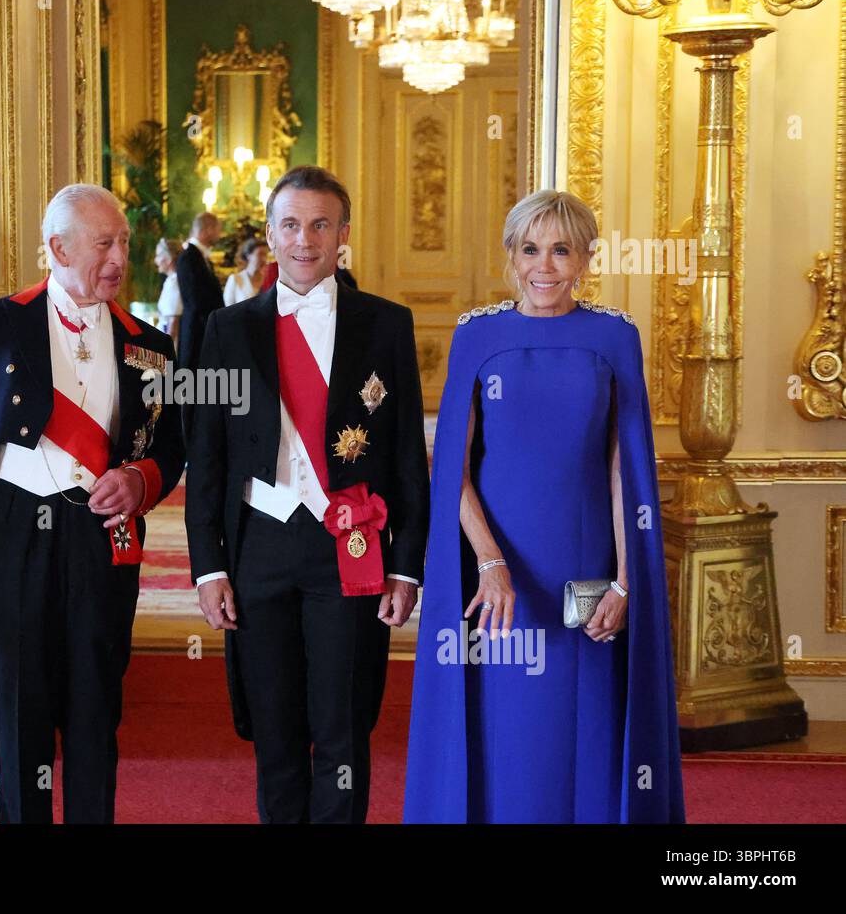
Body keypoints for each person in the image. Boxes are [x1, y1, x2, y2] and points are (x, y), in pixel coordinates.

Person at [403, 190, 685, 823]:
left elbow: (625, 473)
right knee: (507, 729)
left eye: (561, 251)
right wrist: (490, 563)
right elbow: (450, 469)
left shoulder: (614, 338)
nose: (545, 267)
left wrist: (624, 583)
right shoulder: (478, 337)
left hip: (585, 571)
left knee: (582, 729)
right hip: (499, 576)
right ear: (512, 255)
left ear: (587, 257)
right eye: (531, 249)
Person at [185, 165, 430, 823]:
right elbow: (206, 459)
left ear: (343, 234)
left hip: (349, 548)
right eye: (290, 224)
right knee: (276, 730)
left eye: (320, 224)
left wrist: (405, 566)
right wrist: (208, 567)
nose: (304, 239)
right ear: (269, 233)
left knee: (343, 728)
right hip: (258, 548)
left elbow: (408, 455)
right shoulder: (225, 330)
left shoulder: (386, 324)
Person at [0, 183, 185, 824]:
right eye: (105, 243)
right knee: (22, 714)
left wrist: (140, 479)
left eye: (123, 243)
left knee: (96, 708)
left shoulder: (149, 343)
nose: (119, 258)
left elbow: (175, 443)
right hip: (14, 537)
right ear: (57, 248)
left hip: (101, 540)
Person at [175, 211, 224, 378]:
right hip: (196, 333)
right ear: (208, 229)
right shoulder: (188, 257)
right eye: (218, 229)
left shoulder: (202, 257)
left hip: (206, 332)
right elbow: (194, 300)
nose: (220, 234)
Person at [223, 238, 268, 306]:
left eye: (265, 255)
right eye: (260, 254)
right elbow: (226, 310)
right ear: (248, 256)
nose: (264, 259)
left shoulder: (268, 279)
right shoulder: (235, 279)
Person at [155, 237, 184, 339]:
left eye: (158, 256)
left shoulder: (174, 283)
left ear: (169, 258)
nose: (155, 260)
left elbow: (173, 323)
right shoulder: (170, 281)